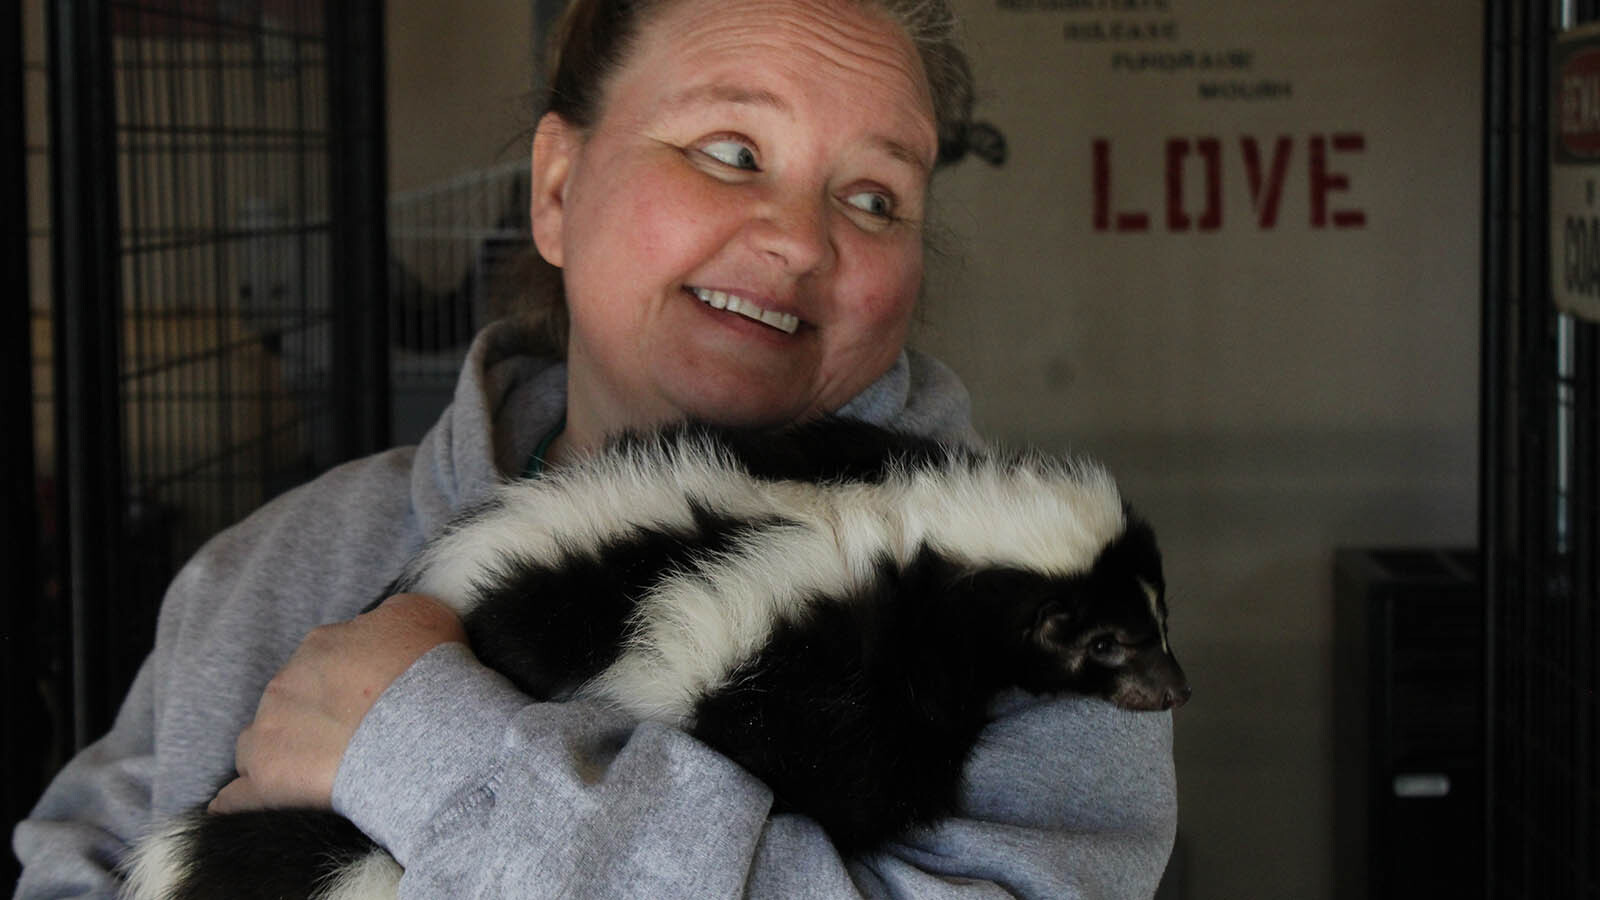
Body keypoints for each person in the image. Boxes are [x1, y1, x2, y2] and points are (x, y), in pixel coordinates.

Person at [13, 0, 1178, 896]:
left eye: (874, 198)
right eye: (730, 150)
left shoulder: (1037, 635)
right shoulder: (272, 570)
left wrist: (420, 745)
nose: (797, 242)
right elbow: (80, 864)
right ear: (559, 189)